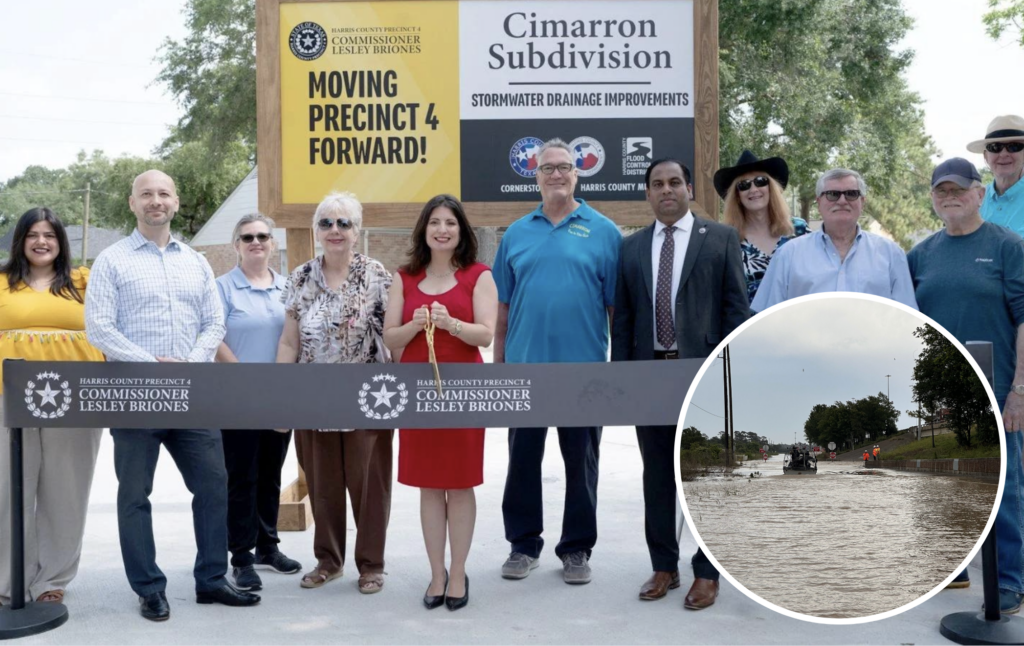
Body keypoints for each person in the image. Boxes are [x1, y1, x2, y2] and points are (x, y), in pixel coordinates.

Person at [85, 170, 259, 620]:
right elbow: (99, 327)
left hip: (191, 393)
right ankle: (148, 588)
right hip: (135, 395)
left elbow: (213, 322)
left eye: (163, 193)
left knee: (213, 484)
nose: (155, 201)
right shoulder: (112, 261)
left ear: (176, 202)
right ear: (132, 203)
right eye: (146, 194)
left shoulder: (196, 262)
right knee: (134, 495)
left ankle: (212, 579)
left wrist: (192, 361)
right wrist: (151, 363)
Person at [611, 158, 747, 609]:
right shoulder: (630, 248)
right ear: (648, 194)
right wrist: (622, 378)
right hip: (650, 374)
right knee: (657, 476)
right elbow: (623, 319)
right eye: (657, 184)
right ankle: (663, 566)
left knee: (703, 475)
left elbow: (735, 310)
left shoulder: (721, 238)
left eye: (674, 182)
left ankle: (707, 572)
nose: (666, 189)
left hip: (702, 373)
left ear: (689, 189)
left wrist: (728, 373)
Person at [493, 137, 621, 585]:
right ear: (536, 176)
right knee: (522, 462)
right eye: (547, 168)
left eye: (564, 166)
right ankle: (523, 545)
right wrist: (499, 365)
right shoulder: (516, 233)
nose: (556, 174)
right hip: (525, 370)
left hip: (584, 372)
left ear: (577, 173)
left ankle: (576, 549)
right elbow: (502, 308)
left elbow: (614, 308)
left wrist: (618, 371)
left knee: (581, 465)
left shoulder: (604, 231)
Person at [908, 157, 1024, 613]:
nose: (951, 196)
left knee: (1004, 485)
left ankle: (1010, 581)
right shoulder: (920, 255)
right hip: (944, 392)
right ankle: (953, 567)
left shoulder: (1007, 246)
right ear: (933, 199)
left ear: (979, 194)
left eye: (960, 189)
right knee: (947, 481)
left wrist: (1019, 391)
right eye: (942, 190)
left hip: (998, 386)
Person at [383, 194, 498, 612]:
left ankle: (460, 571)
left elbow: (485, 334)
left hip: (464, 393)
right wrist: (414, 327)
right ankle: (436, 573)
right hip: (418, 394)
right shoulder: (404, 278)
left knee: (461, 483)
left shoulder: (478, 276)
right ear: (424, 230)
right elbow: (390, 337)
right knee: (429, 485)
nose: (442, 230)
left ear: (461, 231)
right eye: (435, 222)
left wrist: (453, 325)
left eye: (450, 222)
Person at [277, 191, 394, 595]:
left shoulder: (376, 275)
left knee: (369, 486)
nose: (335, 230)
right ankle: (328, 561)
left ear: (357, 231)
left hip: (368, 400)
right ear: (316, 230)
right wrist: (281, 398)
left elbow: (392, 337)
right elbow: (289, 342)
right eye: (326, 223)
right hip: (313, 400)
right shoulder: (300, 277)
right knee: (323, 485)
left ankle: (371, 565)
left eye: (344, 223)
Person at [0, 208, 104, 607]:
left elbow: (109, 327)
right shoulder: (2, 281)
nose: (41, 242)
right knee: (8, 487)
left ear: (61, 241)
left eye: (49, 235)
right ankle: (9, 579)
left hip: (74, 398)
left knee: (66, 488)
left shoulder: (83, 281)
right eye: (32, 235)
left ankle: (52, 580)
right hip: (7, 396)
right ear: (20, 240)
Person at [215, 214, 302, 592]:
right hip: (237, 397)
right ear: (236, 245)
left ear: (273, 243)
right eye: (247, 237)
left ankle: (268, 546)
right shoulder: (222, 288)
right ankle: (241, 556)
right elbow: (213, 338)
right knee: (242, 478)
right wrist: (246, 382)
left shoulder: (288, 288)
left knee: (271, 474)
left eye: (263, 236)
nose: (256, 242)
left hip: (280, 395)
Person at [750, 168, 918, 312]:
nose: (842, 201)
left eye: (851, 194)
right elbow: (766, 317)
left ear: (862, 202)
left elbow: (906, 318)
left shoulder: (891, 255)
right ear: (819, 202)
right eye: (832, 194)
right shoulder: (788, 254)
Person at [714, 150, 808, 303]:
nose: (753, 189)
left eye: (760, 181)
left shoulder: (799, 229)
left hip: (796, 315)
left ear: (771, 187)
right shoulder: (725, 241)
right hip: (748, 317)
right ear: (737, 195)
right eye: (744, 185)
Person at [968, 115, 1024, 235]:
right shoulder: (974, 200)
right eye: (995, 147)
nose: (1003, 154)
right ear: (986, 156)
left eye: (1014, 146)